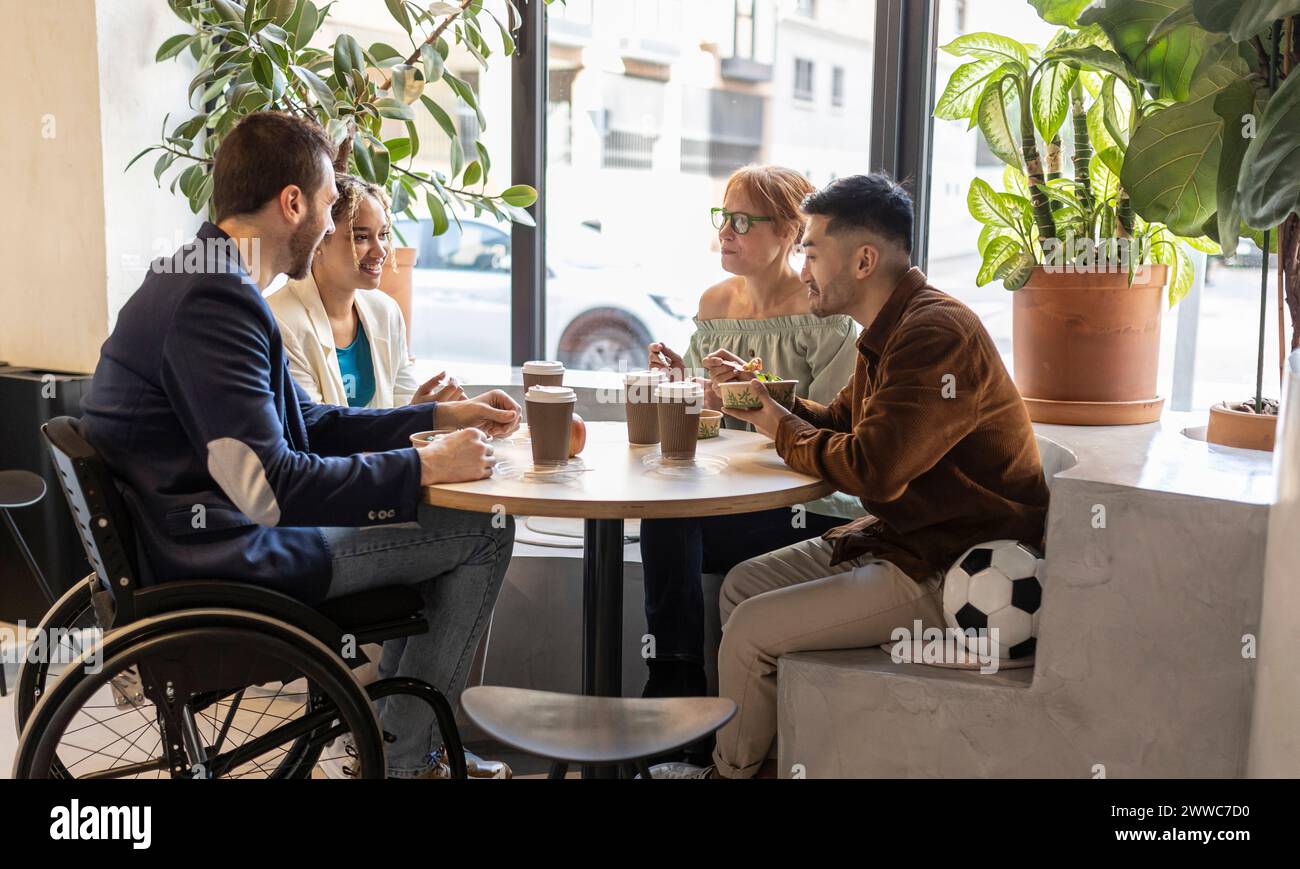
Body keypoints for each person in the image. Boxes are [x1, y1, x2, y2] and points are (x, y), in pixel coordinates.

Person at [80, 111, 519, 780]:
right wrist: (422, 465)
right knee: (486, 525)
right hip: (228, 558)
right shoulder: (215, 299)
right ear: (292, 202)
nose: (327, 219)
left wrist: (435, 414)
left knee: (456, 521)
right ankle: (405, 760)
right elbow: (273, 483)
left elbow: (304, 422)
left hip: (188, 539)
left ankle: (396, 741)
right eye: (324, 201)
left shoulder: (193, 276)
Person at [652, 173, 1051, 779]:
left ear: (863, 260)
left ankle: (726, 774)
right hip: (901, 540)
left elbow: (872, 470)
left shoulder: (932, 333)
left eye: (810, 248)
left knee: (753, 629)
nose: (802, 264)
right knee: (741, 588)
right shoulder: (891, 328)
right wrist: (755, 394)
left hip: (949, 564)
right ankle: (767, 762)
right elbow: (838, 418)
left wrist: (765, 415)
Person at [639, 166, 862, 717]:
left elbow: (833, 433)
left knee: (673, 527)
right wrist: (683, 385)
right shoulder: (715, 305)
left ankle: (686, 716)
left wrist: (748, 396)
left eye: (743, 221)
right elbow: (706, 416)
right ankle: (677, 695)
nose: (726, 233)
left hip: (806, 508)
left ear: (790, 231)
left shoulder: (824, 315)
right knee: (663, 519)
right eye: (723, 218)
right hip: (730, 497)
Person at [268, 174, 466, 409]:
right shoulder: (280, 321)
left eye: (383, 235)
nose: (380, 251)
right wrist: (413, 418)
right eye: (361, 237)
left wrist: (433, 411)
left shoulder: (385, 311)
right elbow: (314, 429)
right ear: (318, 239)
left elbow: (405, 409)